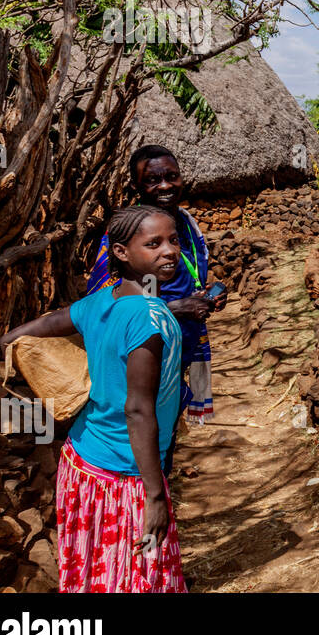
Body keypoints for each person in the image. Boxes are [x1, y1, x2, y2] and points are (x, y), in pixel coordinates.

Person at [0, 206, 187, 592]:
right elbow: (137, 410)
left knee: (95, 573)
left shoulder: (106, 299)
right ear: (121, 252)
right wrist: (155, 496)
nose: (168, 251)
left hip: (82, 465)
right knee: (138, 577)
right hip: (125, 478)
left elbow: (57, 319)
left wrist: (11, 337)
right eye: (153, 243)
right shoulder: (150, 318)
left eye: (174, 241)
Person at [88, 145, 225, 439]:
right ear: (136, 186)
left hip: (178, 353)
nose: (164, 185)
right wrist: (176, 308)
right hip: (139, 358)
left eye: (171, 176)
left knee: (164, 436)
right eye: (152, 179)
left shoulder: (187, 225)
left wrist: (209, 293)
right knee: (138, 433)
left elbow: (191, 277)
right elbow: (103, 303)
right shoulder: (125, 233)